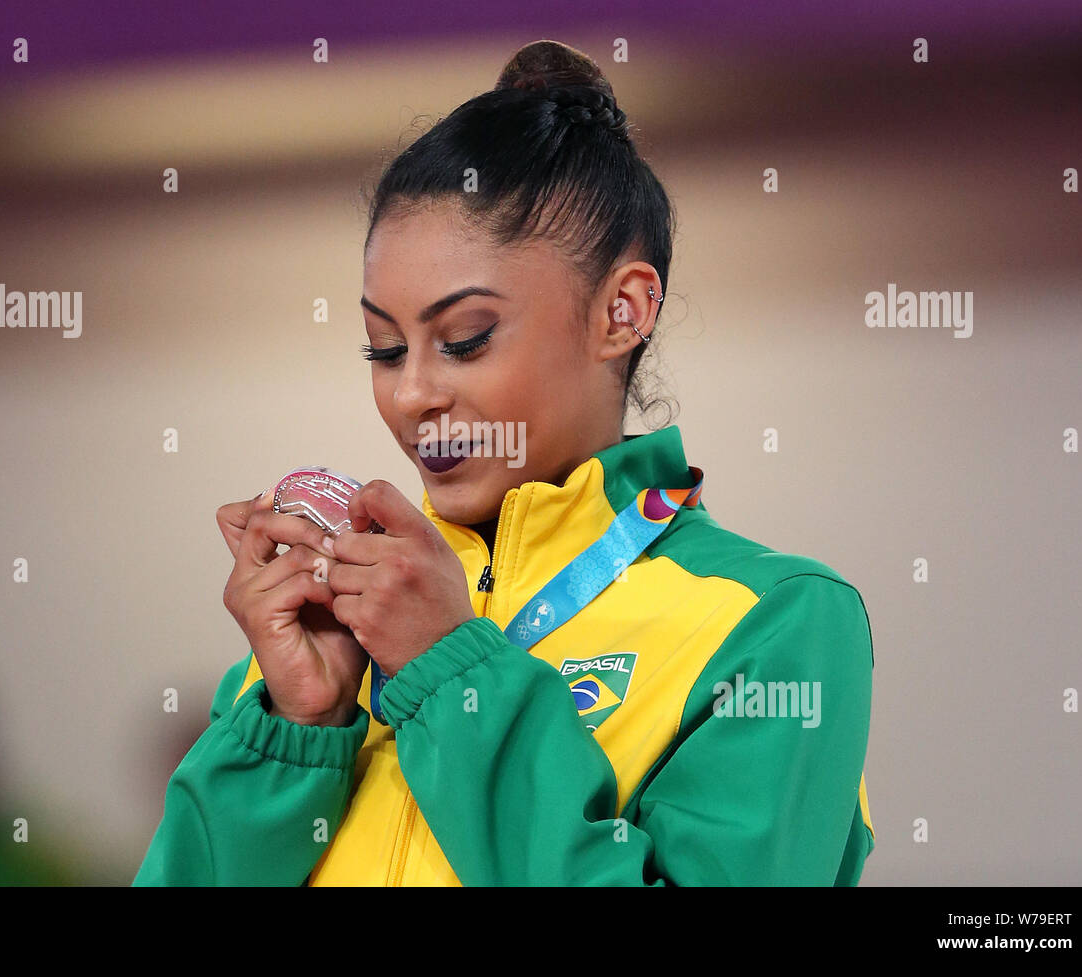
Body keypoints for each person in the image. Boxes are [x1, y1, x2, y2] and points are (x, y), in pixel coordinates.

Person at [133, 39, 874, 886]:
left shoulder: (775, 624)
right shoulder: (337, 634)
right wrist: (300, 732)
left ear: (621, 312)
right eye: (382, 350)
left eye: (464, 340)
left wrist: (451, 671)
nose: (411, 394)